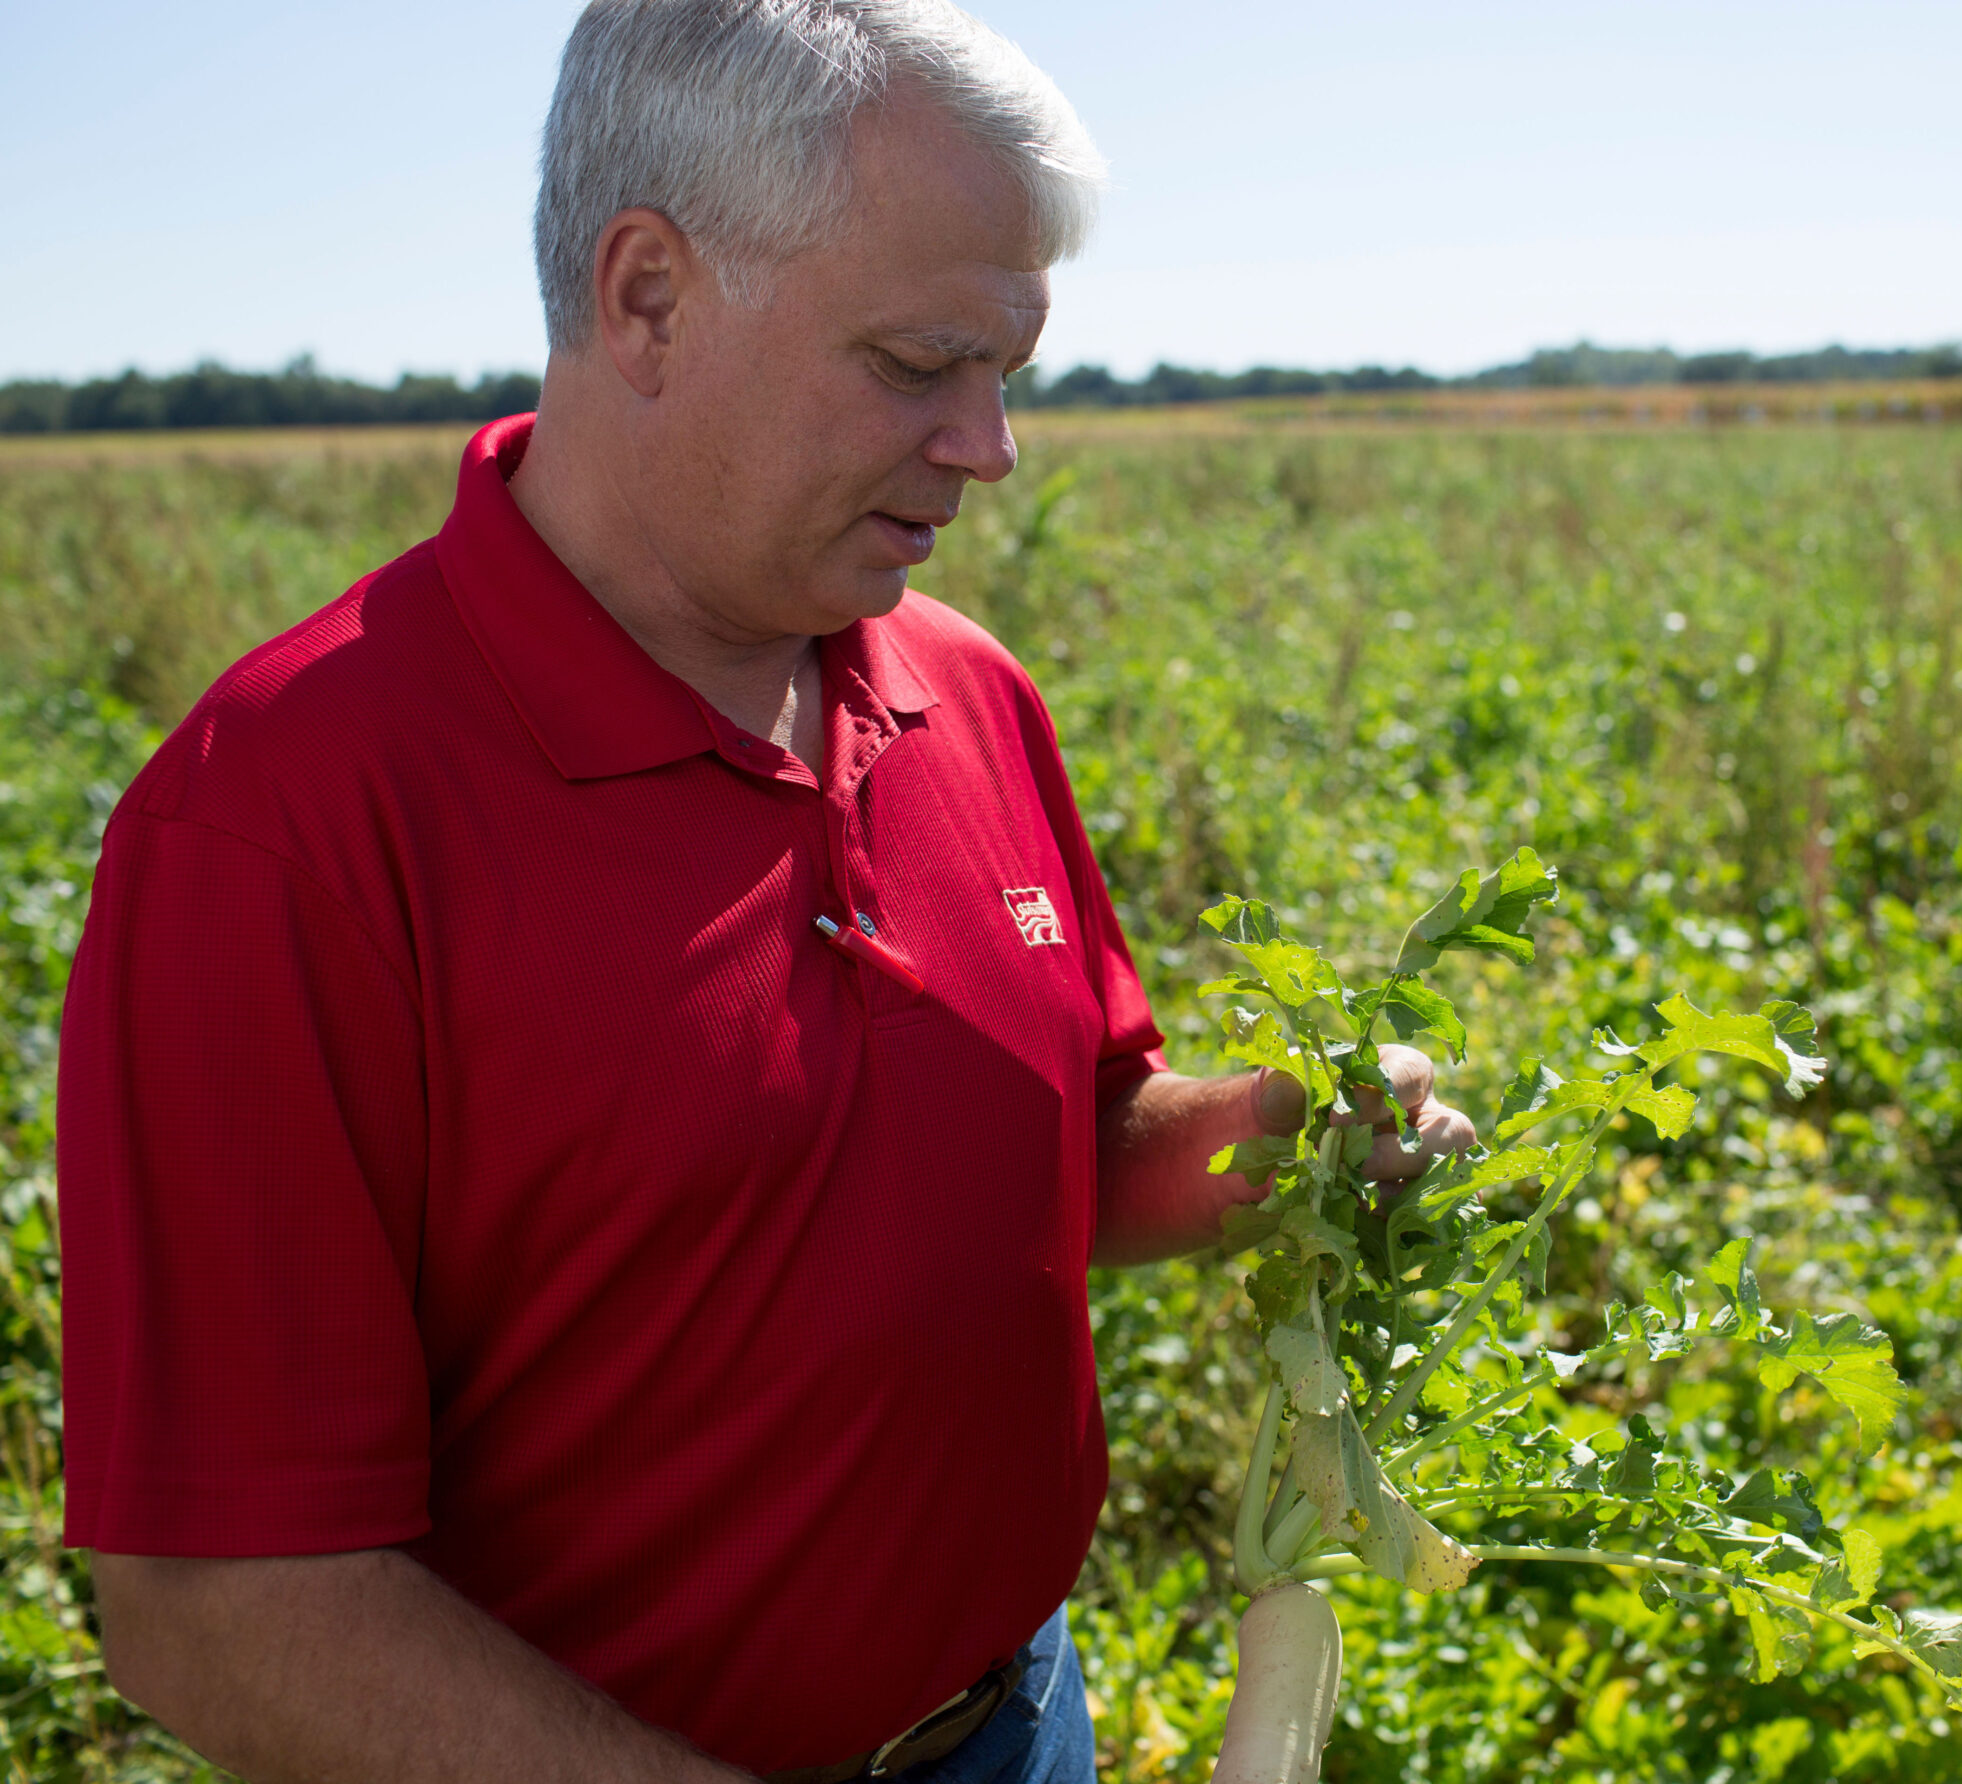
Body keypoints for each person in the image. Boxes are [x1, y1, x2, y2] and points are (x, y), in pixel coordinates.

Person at [54, 4, 1474, 1780]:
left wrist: (1287, 1134)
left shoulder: (963, 688)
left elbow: (1068, 1135)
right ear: (646, 297)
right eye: (916, 364)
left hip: (1017, 1724)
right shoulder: (286, 820)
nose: (990, 447)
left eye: (1006, 370)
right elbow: (217, 1602)